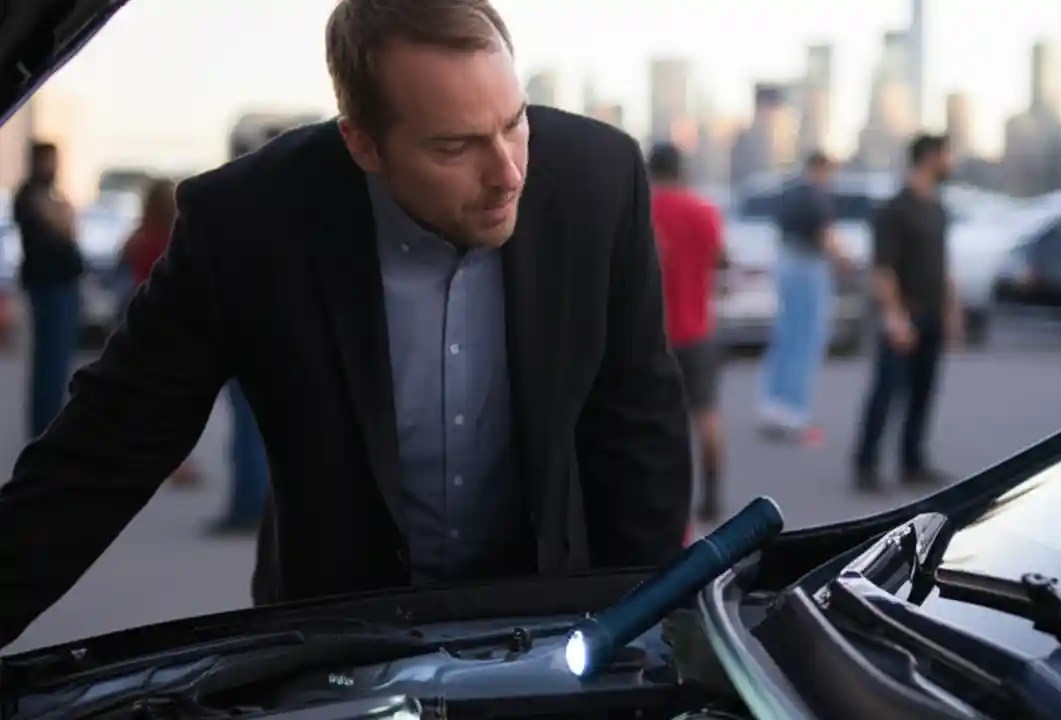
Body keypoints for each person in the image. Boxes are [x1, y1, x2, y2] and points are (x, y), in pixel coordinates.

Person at [0, 0, 691, 646]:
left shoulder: (599, 179)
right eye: (454, 148)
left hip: (552, 628)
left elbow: (639, 431)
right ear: (362, 144)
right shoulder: (243, 224)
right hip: (332, 641)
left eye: (514, 123)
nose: (508, 173)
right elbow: (104, 450)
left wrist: (650, 635)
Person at [852, 134, 963, 490]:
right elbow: (883, 269)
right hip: (904, 315)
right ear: (930, 158)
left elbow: (943, 265)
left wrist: (951, 309)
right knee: (887, 392)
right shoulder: (894, 209)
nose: (951, 162)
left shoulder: (938, 208)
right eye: (947, 155)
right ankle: (866, 466)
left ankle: (912, 462)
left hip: (932, 313)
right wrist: (895, 317)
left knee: (923, 392)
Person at [647, 142, 726, 522]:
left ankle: (664, 500)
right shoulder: (704, 210)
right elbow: (722, 258)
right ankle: (712, 496)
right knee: (706, 415)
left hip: (654, 334)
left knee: (657, 421)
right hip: (699, 330)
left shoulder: (644, 211)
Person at [757, 151, 849, 446]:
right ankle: (795, 412)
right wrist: (848, 263)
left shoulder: (790, 193)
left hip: (787, 263)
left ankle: (773, 406)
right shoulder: (815, 197)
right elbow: (827, 237)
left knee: (786, 336)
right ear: (822, 168)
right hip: (808, 267)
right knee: (807, 340)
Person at [120, 179, 202, 488]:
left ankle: (151, 457)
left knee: (146, 395)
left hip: (141, 318)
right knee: (177, 400)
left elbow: (125, 263)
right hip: (174, 324)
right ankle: (178, 462)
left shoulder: (140, 238)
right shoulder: (176, 237)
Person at [12, 141, 83, 440]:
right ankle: (44, 429)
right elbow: (60, 221)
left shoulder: (48, 196)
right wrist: (61, 213)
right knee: (48, 363)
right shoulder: (29, 195)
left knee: (59, 361)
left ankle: (50, 425)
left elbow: (67, 220)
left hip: (63, 284)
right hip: (47, 286)